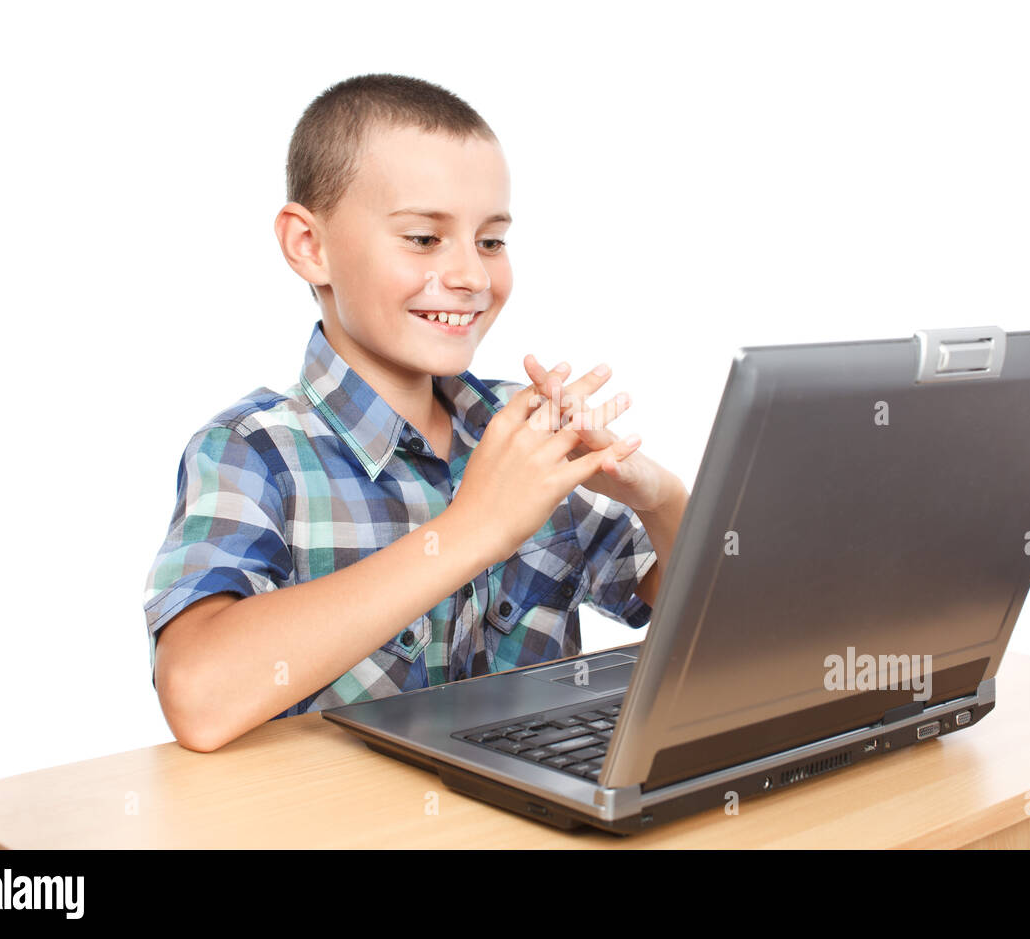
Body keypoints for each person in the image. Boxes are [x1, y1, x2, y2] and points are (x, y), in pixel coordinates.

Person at [142, 74, 690, 752]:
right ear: (309, 246)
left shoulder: (520, 430)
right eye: (426, 239)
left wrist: (660, 497)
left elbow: (709, 613)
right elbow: (198, 697)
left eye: (490, 241)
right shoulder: (254, 451)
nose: (472, 276)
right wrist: (476, 528)